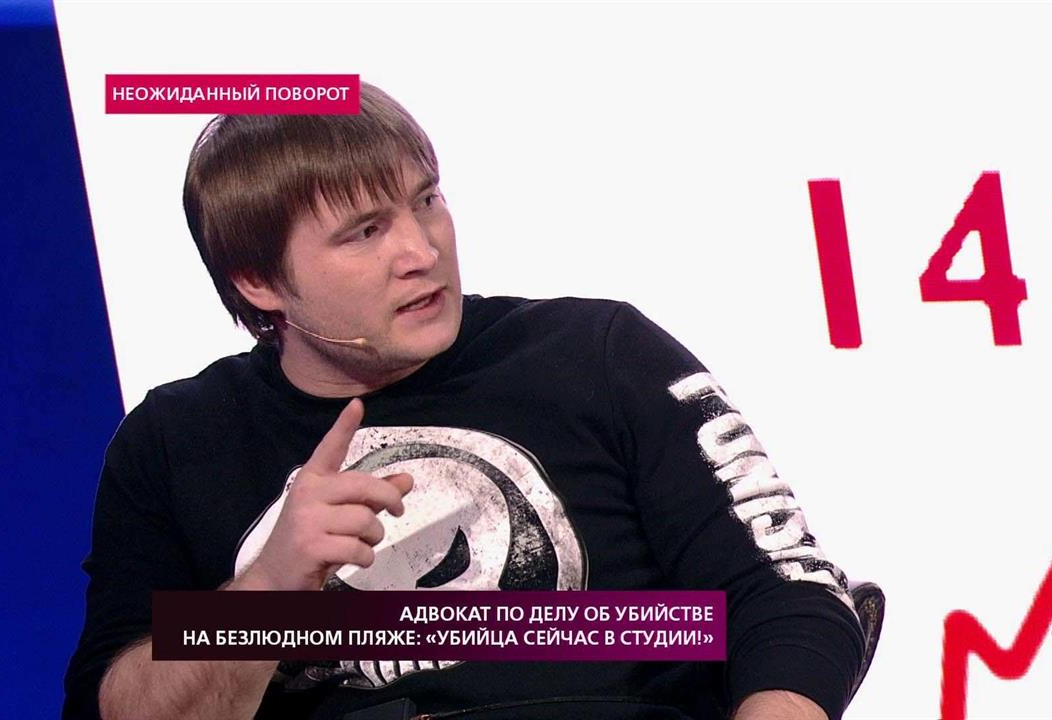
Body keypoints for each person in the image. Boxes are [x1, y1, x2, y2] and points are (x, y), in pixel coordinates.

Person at [63, 82, 867, 720]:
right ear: (258, 281)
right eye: (364, 232)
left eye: (426, 200)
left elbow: (790, 599)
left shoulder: (598, 353)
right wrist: (268, 592)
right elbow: (118, 709)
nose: (422, 250)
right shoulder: (175, 442)